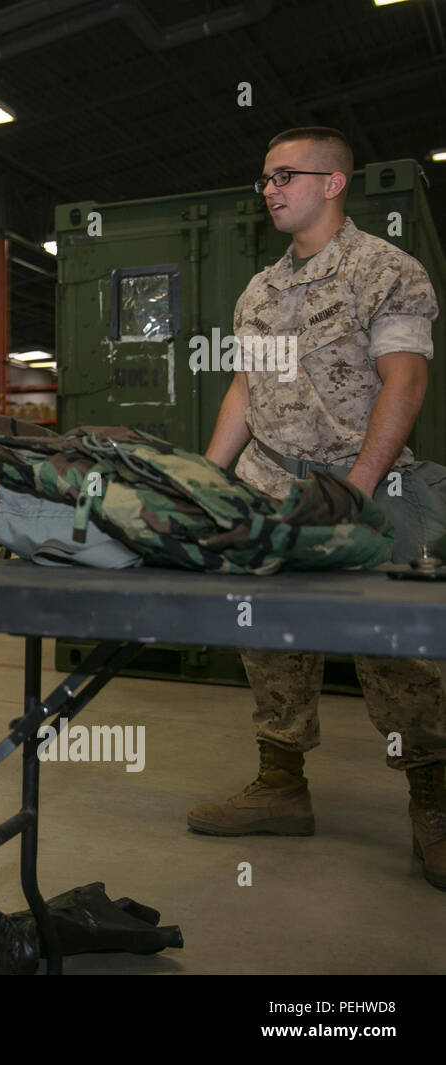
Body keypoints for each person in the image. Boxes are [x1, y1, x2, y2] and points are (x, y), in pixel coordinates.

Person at [189, 126, 446, 890]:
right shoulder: (258, 292)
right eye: (265, 178)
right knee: (270, 639)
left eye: (285, 176)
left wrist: (357, 491)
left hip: (366, 488)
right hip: (275, 489)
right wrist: (208, 477)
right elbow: (247, 389)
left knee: (398, 653)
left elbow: (404, 382)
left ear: (332, 183)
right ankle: (281, 783)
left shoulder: (386, 271)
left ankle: (432, 798)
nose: (269, 189)